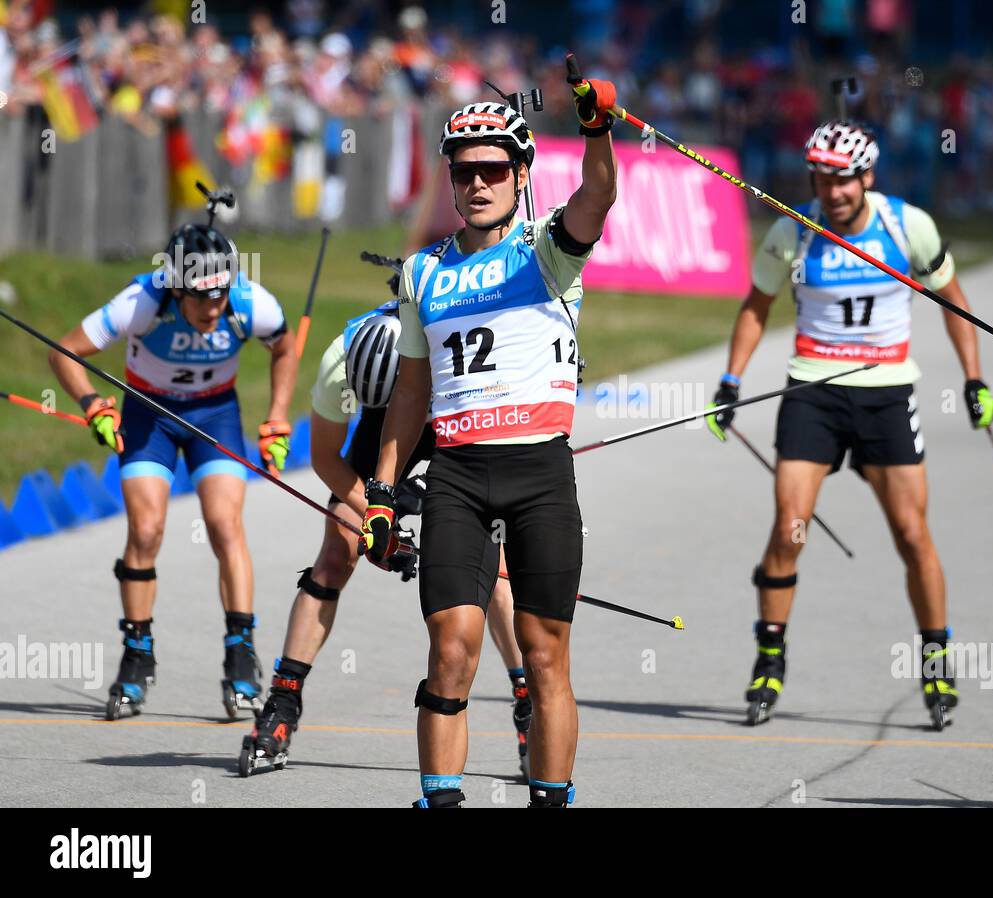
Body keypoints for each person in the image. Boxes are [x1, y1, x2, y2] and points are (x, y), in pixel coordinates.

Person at [361, 72, 618, 808]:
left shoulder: (548, 252)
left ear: (520, 174)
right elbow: (410, 392)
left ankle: (549, 799)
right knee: (451, 652)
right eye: (462, 170)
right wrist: (382, 491)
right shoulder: (423, 272)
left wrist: (596, 127)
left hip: (538, 473)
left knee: (544, 659)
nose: (476, 183)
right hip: (458, 477)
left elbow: (598, 195)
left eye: (492, 169)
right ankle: (440, 799)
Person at [707, 119, 993, 729]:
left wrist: (974, 379)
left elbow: (956, 304)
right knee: (790, 530)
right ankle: (769, 657)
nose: (832, 192)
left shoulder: (907, 227)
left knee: (912, 535)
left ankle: (937, 660)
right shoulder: (793, 231)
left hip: (887, 394)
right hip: (813, 391)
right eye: (822, 179)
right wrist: (731, 382)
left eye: (843, 181)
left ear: (867, 176)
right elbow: (755, 308)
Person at [239, 299, 534, 778]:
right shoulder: (341, 359)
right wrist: (382, 519)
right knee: (338, 546)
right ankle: (282, 703)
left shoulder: (454, 349)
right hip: (383, 423)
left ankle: (527, 705)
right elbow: (326, 461)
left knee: (490, 562)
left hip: (454, 410)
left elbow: (490, 461)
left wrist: (435, 496)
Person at [48, 223, 295, 720]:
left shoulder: (252, 303)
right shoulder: (141, 301)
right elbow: (64, 351)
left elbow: (284, 347)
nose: (215, 308)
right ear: (176, 288)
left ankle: (240, 650)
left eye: (222, 293)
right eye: (202, 298)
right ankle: (138, 654)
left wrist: (277, 416)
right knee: (145, 529)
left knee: (226, 525)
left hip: (214, 415)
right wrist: (94, 403)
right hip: (149, 413)